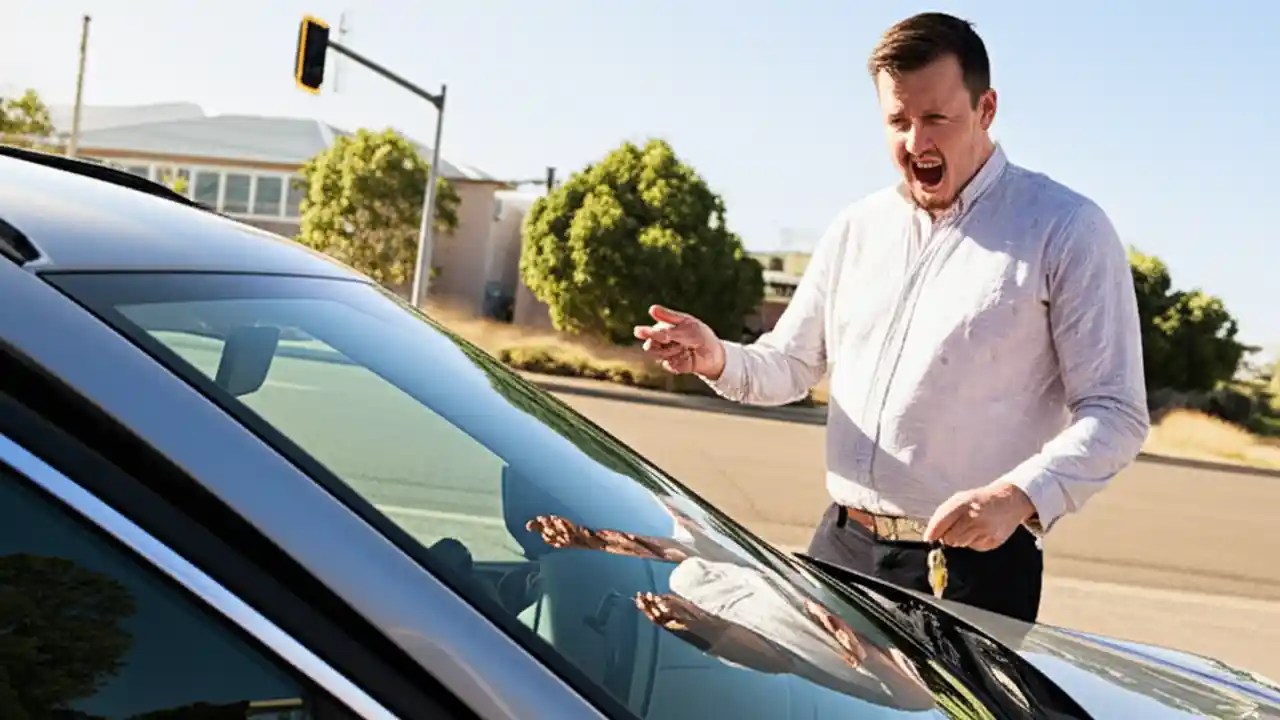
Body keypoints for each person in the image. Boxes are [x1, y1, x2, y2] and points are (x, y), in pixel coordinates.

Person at [633, 11, 1149, 623]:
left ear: (986, 109)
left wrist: (1019, 496)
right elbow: (792, 364)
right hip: (840, 547)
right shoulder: (857, 228)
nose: (916, 142)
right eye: (898, 121)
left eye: (936, 119)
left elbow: (1116, 412)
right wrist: (716, 356)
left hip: (969, 571)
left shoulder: (1066, 229)